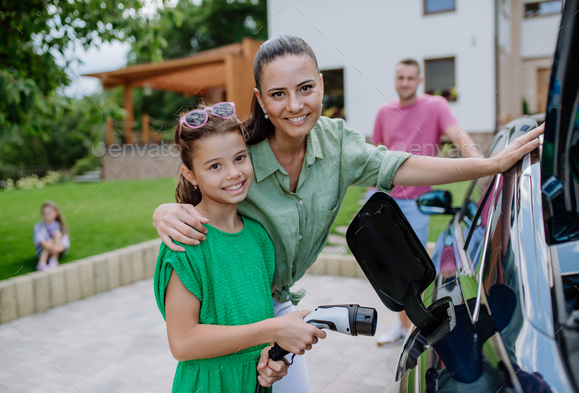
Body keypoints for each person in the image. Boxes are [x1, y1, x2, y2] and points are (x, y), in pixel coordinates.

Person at [152, 36, 543, 392]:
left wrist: (487, 166)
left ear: (321, 84)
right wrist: (164, 211)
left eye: (305, 88)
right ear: (260, 98)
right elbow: (205, 170)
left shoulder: (338, 145)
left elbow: (403, 165)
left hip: (274, 309)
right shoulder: (242, 152)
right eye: (277, 94)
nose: (294, 105)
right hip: (232, 312)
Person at [153, 103, 324, 393]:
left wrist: (274, 358)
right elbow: (182, 343)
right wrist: (274, 329)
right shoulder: (186, 241)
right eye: (215, 166)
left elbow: (255, 330)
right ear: (190, 173)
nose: (233, 173)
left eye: (240, 158)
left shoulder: (258, 237)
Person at [370, 58, 481, 347]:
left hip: (418, 204)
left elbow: (459, 137)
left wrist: (482, 163)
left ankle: (412, 330)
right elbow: (375, 157)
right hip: (386, 203)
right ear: (395, 80)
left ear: (419, 80)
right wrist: (371, 197)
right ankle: (401, 326)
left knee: (413, 274)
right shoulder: (384, 112)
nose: (405, 82)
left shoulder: (435, 106)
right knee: (392, 272)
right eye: (400, 77)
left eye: (410, 78)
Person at [33, 201, 70, 271]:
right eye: (44, 213)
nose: (47, 215)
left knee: (57, 234)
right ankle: (42, 264)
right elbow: (39, 240)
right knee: (49, 241)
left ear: (56, 213)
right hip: (43, 251)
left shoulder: (60, 226)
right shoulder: (38, 226)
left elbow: (65, 243)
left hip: (58, 250)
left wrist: (56, 248)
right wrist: (50, 246)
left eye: (49, 212)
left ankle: (53, 259)